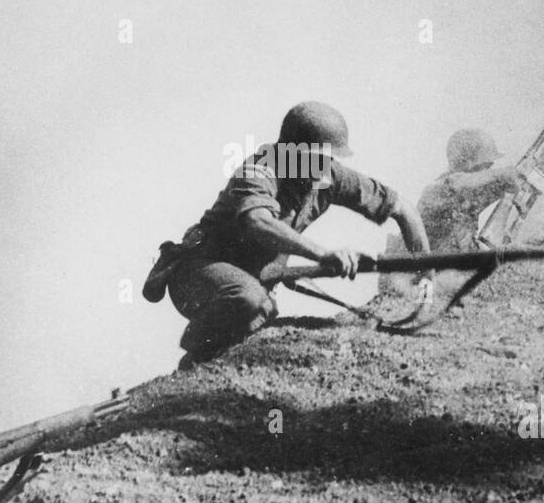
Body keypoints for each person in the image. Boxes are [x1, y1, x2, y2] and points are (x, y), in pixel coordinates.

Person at [145, 102, 434, 366]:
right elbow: (258, 221)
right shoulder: (260, 168)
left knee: (257, 314)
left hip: (254, 282)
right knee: (248, 300)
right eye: (314, 160)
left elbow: (403, 209)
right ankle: (194, 359)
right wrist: (323, 254)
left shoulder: (328, 175)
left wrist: (426, 272)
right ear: (289, 153)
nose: (323, 169)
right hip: (197, 273)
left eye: (328, 160)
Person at [417, 129, 526, 251]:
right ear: (467, 162)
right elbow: (456, 183)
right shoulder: (438, 189)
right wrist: (502, 174)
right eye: (486, 166)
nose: (489, 170)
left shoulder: (465, 195)